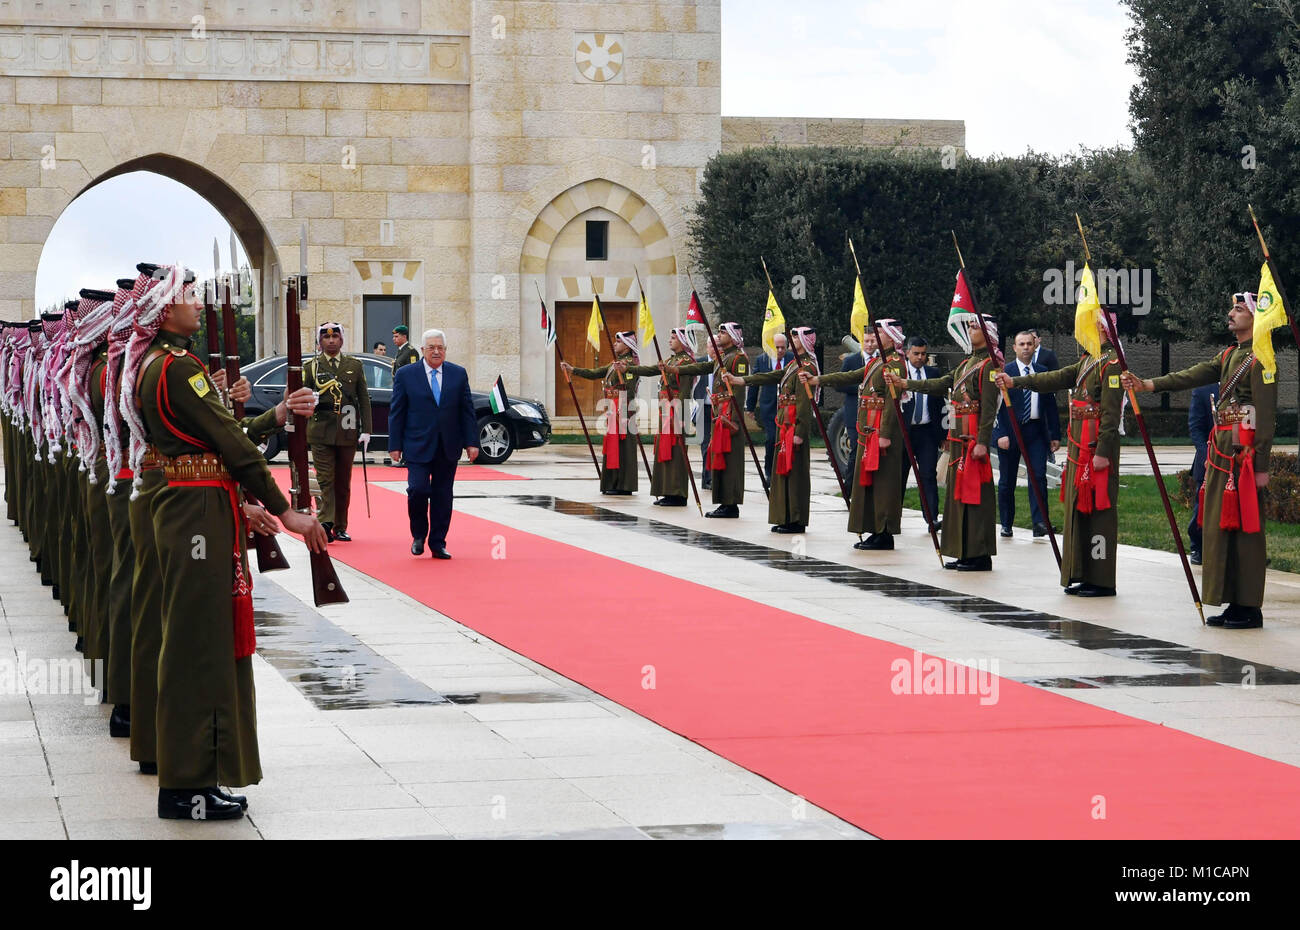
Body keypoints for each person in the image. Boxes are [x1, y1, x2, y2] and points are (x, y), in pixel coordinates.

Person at [128, 264, 327, 821]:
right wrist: (287, 509)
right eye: (188, 296)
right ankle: (189, 783)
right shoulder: (178, 368)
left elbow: (219, 443)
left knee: (195, 637)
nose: (196, 303)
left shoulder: (159, 364)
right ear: (166, 311)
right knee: (200, 644)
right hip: (196, 513)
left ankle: (195, 774)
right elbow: (233, 444)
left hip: (196, 504)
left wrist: (244, 501)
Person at [1123, 291, 1276, 628]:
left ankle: (1249, 605)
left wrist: (1261, 465)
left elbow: (1265, 415)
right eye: (1232, 308)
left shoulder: (1261, 358)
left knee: (1246, 530)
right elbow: (1191, 375)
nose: (1231, 313)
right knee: (1222, 528)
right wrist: (1148, 384)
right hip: (1222, 451)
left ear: (1256, 317)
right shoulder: (1229, 354)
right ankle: (1233, 601)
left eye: (1239, 309)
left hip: (1245, 456)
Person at [998, 315, 1121, 596]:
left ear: (1101, 328)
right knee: (1080, 513)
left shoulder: (1111, 365)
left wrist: (1102, 453)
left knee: (1098, 514)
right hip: (1080, 451)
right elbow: (1055, 377)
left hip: (1095, 453)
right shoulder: (1089, 361)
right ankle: (1083, 572)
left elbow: (1111, 416)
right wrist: (1016, 381)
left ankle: (1101, 578)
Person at [888, 318, 999, 571]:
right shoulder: (966, 364)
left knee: (975, 496)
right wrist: (907, 384)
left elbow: (989, 409)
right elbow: (941, 384)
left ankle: (979, 554)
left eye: (974, 327)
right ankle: (963, 551)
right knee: (958, 496)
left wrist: (983, 441)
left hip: (973, 441)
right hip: (960, 439)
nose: (969, 331)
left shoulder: (988, 365)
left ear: (988, 332)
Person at [810, 320, 907, 549]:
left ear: (891, 337)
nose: (876, 337)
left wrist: (884, 434)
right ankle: (875, 529)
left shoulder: (894, 364)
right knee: (872, 483)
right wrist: (820, 380)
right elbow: (851, 375)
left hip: (882, 435)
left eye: (880, 334)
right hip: (869, 431)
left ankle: (884, 532)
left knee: (884, 484)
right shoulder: (877, 362)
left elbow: (892, 403)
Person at [389, 328, 480, 559]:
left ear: (446, 350)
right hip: (417, 445)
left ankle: (438, 542)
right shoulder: (406, 375)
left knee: (442, 495)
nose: (436, 351)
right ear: (422, 350)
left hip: (448, 445)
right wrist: (395, 445)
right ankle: (419, 534)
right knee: (417, 490)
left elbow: (467, 411)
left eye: (440, 347)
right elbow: (397, 412)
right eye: (432, 347)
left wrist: (472, 442)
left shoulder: (458, 374)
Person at [727, 326, 820, 533]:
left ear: (806, 341)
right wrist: (741, 380)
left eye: (796, 337)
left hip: (794, 427)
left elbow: (805, 403)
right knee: (784, 472)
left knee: (795, 474)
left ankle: (795, 520)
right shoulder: (793, 364)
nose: (792, 339)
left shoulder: (807, 367)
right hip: (784, 424)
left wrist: (799, 431)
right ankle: (785, 516)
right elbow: (770, 376)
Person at [302, 322, 371, 542]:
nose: (331, 341)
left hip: (347, 431)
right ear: (319, 342)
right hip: (320, 430)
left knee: (343, 482)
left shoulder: (354, 365)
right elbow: (302, 396)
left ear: (341, 340)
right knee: (325, 480)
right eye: (326, 337)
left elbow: (363, 399)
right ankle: (325, 523)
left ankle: (340, 525)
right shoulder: (311, 366)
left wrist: (367, 430)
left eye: (335, 337)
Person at [671, 323, 749, 517]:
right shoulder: (723, 357)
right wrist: (676, 370)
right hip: (719, 414)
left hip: (728, 417)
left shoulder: (738, 358)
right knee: (719, 456)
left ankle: (731, 504)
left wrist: (730, 416)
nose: (720, 335)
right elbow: (702, 366)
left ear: (732, 336)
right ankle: (724, 501)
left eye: (723, 333)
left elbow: (738, 392)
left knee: (730, 460)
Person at [993, 331, 1061, 539]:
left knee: (1039, 477)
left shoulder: (1042, 372)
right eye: (1021, 344)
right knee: (1007, 481)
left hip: (1035, 432)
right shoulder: (1005, 372)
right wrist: (1000, 434)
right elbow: (995, 407)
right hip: (1010, 432)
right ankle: (1006, 523)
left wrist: (1054, 434)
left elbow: (1050, 405)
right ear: (1014, 348)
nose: (1025, 348)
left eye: (1029, 344)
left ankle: (1040, 522)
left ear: (1035, 346)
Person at [562, 331, 643, 496]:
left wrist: (623, 379)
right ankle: (612, 482)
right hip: (613, 409)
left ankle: (624, 484)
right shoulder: (615, 363)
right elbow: (596, 373)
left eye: (618, 342)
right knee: (614, 446)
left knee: (624, 447)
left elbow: (629, 387)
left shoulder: (630, 364)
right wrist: (573, 370)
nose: (615, 344)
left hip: (624, 410)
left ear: (627, 346)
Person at [626, 327, 699, 506]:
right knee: (664, 450)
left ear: (682, 341)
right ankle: (667, 490)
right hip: (665, 410)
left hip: (675, 411)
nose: (670, 341)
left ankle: (678, 493)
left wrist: (680, 414)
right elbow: (652, 370)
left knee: (676, 451)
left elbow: (685, 389)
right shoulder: (671, 360)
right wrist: (629, 368)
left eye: (673, 338)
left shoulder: (685, 362)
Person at [900, 336, 943, 530]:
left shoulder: (933, 373)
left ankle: (932, 518)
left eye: (923, 354)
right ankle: (893, 517)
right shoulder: (899, 373)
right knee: (899, 475)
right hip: (904, 432)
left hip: (927, 432)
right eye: (916, 353)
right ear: (907, 352)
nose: (920, 357)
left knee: (928, 474)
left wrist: (942, 435)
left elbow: (940, 404)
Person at [745, 332, 793, 482]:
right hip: (769, 407)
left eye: (782, 347)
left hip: (786, 409)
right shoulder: (762, 360)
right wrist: (750, 407)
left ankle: (784, 469)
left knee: (785, 439)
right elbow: (754, 384)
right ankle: (769, 472)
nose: (779, 350)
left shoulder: (792, 360)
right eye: (776, 347)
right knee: (771, 438)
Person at [1186, 382, 1216, 565]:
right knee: (1202, 507)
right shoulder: (1203, 390)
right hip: (1208, 457)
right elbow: (1196, 427)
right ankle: (1198, 546)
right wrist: (1206, 454)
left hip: (1235, 458)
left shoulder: (1243, 388)